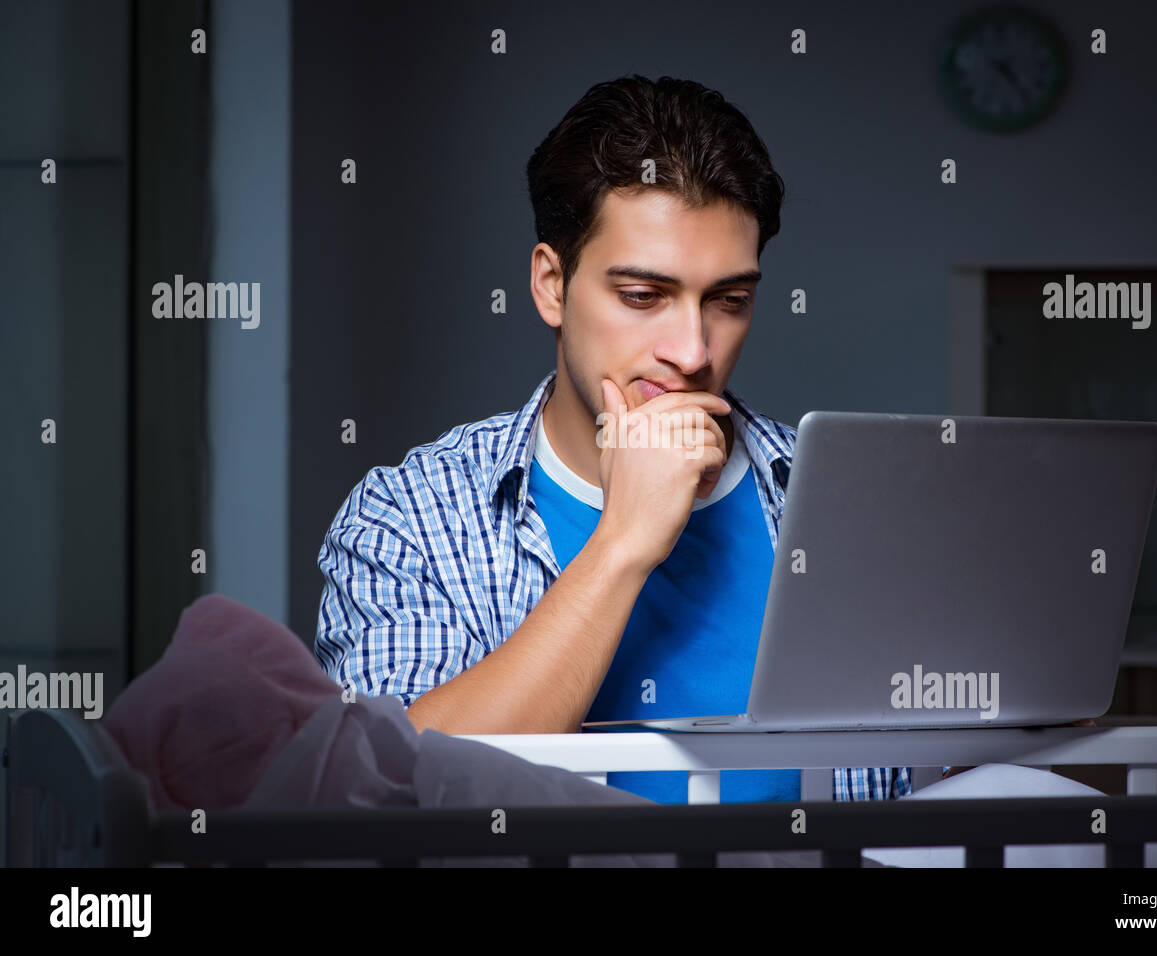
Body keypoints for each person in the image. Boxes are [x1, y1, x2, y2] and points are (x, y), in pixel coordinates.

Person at [314, 75, 922, 804]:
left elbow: (925, 777)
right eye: (643, 297)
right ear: (550, 285)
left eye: (729, 300)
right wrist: (623, 544)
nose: (693, 351)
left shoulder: (843, 498)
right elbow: (397, 789)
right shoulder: (409, 517)